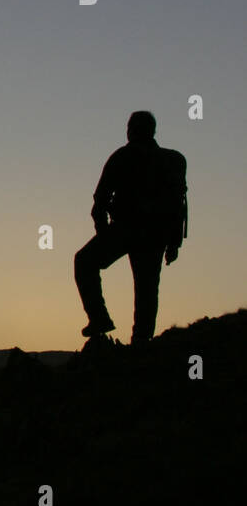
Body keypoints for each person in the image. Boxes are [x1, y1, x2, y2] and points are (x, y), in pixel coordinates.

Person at [74, 111, 187, 345]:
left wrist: (104, 233)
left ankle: (100, 318)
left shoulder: (123, 157)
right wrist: (174, 243)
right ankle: (141, 341)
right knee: (147, 290)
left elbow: (100, 201)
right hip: (156, 235)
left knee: (84, 261)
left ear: (132, 130)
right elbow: (178, 207)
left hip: (126, 229)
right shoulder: (173, 160)